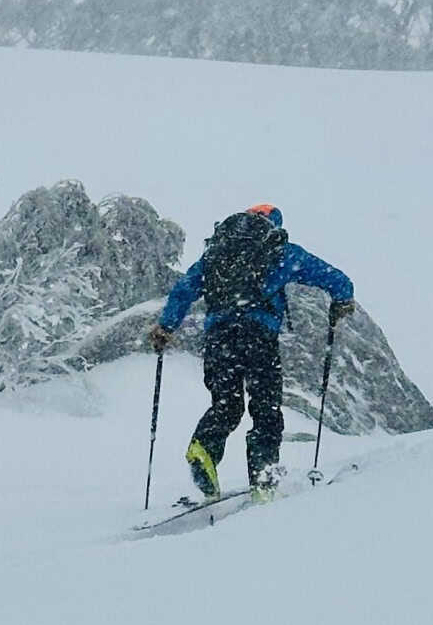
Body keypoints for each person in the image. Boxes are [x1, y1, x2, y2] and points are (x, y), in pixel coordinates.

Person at [148, 203, 355, 500]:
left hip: (220, 338)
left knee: (227, 405)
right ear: (275, 225)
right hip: (259, 336)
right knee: (265, 408)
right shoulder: (280, 249)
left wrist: (166, 327)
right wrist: (342, 300)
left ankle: (203, 447)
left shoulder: (216, 251)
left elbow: (185, 289)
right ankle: (263, 478)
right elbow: (333, 277)